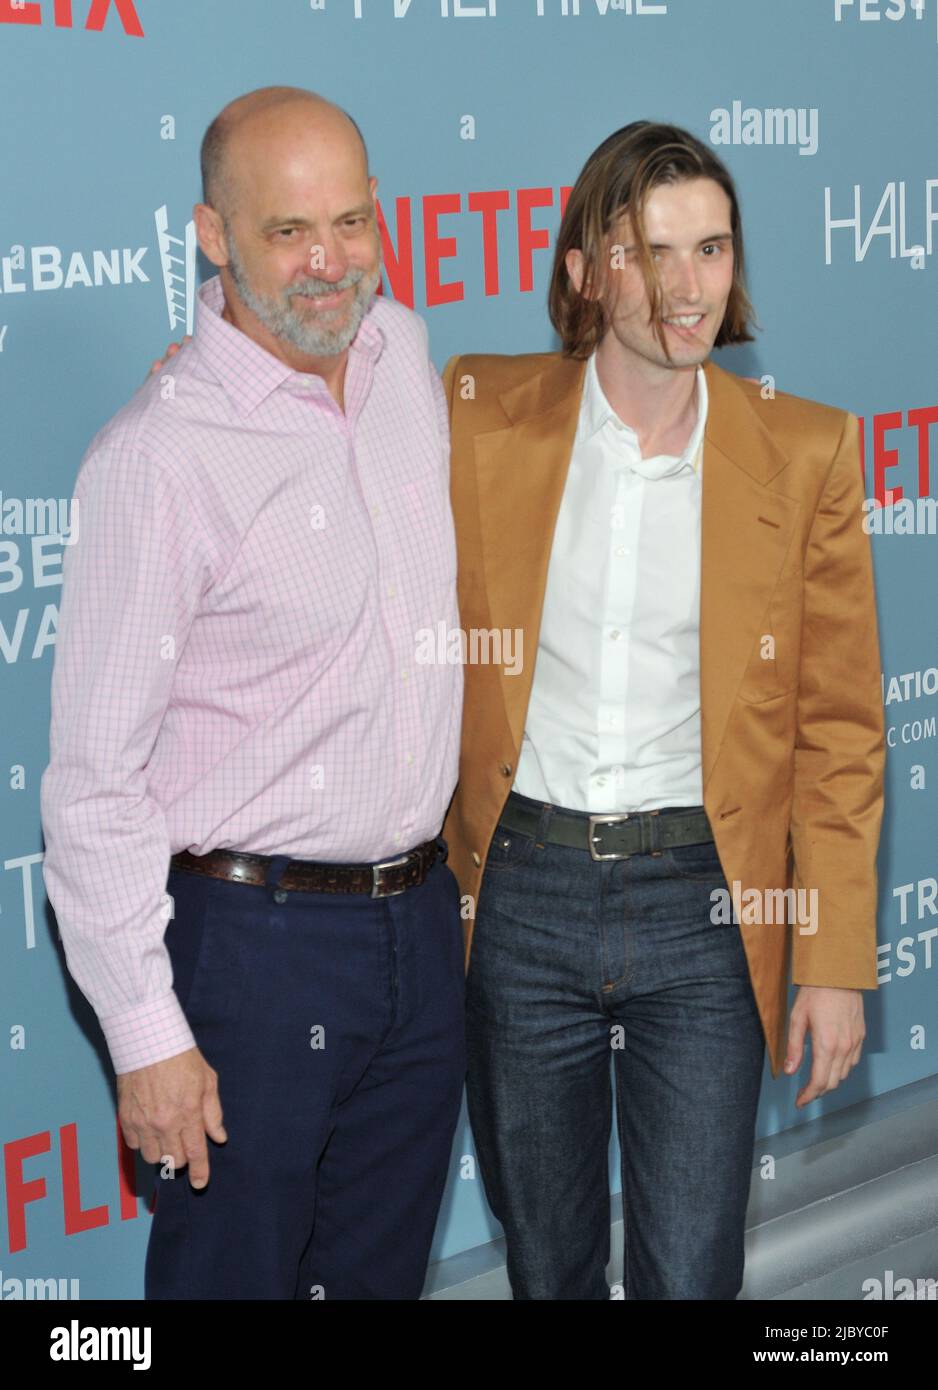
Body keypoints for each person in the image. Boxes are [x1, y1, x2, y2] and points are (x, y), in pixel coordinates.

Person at [439, 121, 885, 1299]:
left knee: (693, 1274)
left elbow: (837, 731)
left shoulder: (804, 454)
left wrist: (832, 959)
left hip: (703, 905)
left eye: (712, 249)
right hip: (520, 894)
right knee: (547, 1267)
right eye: (651, 251)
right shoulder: (475, 417)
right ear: (585, 270)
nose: (687, 287)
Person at [40, 86, 466, 1301]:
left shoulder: (406, 356)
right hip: (251, 957)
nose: (328, 262)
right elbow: (92, 785)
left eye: (352, 222)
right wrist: (147, 1033)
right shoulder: (155, 459)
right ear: (213, 237)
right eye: (287, 232)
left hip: (420, 928)